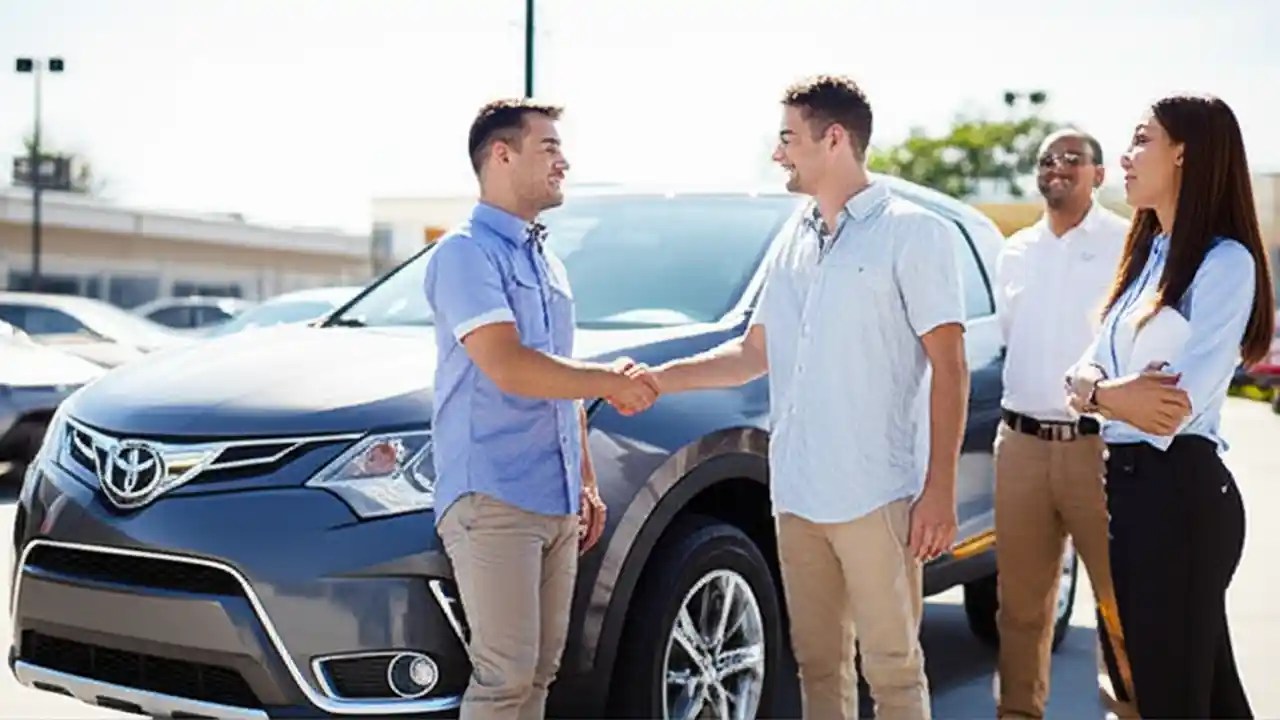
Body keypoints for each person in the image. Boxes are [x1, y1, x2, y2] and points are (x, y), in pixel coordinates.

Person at [623, 74, 968, 720]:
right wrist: (656, 378)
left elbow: (950, 367)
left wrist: (939, 491)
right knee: (817, 664)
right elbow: (754, 354)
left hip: (877, 493)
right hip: (798, 494)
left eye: (788, 138)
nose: (778, 152)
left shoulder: (913, 234)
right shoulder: (795, 237)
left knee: (892, 671)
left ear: (833, 139)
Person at [423, 98, 658, 720]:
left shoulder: (545, 259)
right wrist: (611, 381)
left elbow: (558, 377)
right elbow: (507, 362)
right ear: (501, 155)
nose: (564, 161)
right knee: (503, 681)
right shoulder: (465, 253)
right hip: (494, 496)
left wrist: (584, 480)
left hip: (555, 502)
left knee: (539, 677)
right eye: (549, 147)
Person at [1066, 93, 1275, 719]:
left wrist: (1098, 394)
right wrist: (1105, 393)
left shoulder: (1224, 263)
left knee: (1169, 700)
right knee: (1204, 695)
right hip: (1127, 493)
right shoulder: (1146, 258)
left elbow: (1171, 408)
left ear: (1183, 152)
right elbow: (1082, 369)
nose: (1125, 158)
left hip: (1181, 498)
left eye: (1140, 140)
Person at [991, 129, 1135, 718]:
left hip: (1097, 449)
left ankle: (1131, 710)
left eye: (1073, 160)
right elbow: (1008, 341)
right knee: (1020, 609)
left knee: (1119, 606)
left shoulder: (1129, 245)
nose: (1058, 168)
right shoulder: (1014, 251)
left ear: (1099, 175)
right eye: (1048, 160)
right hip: (1020, 445)